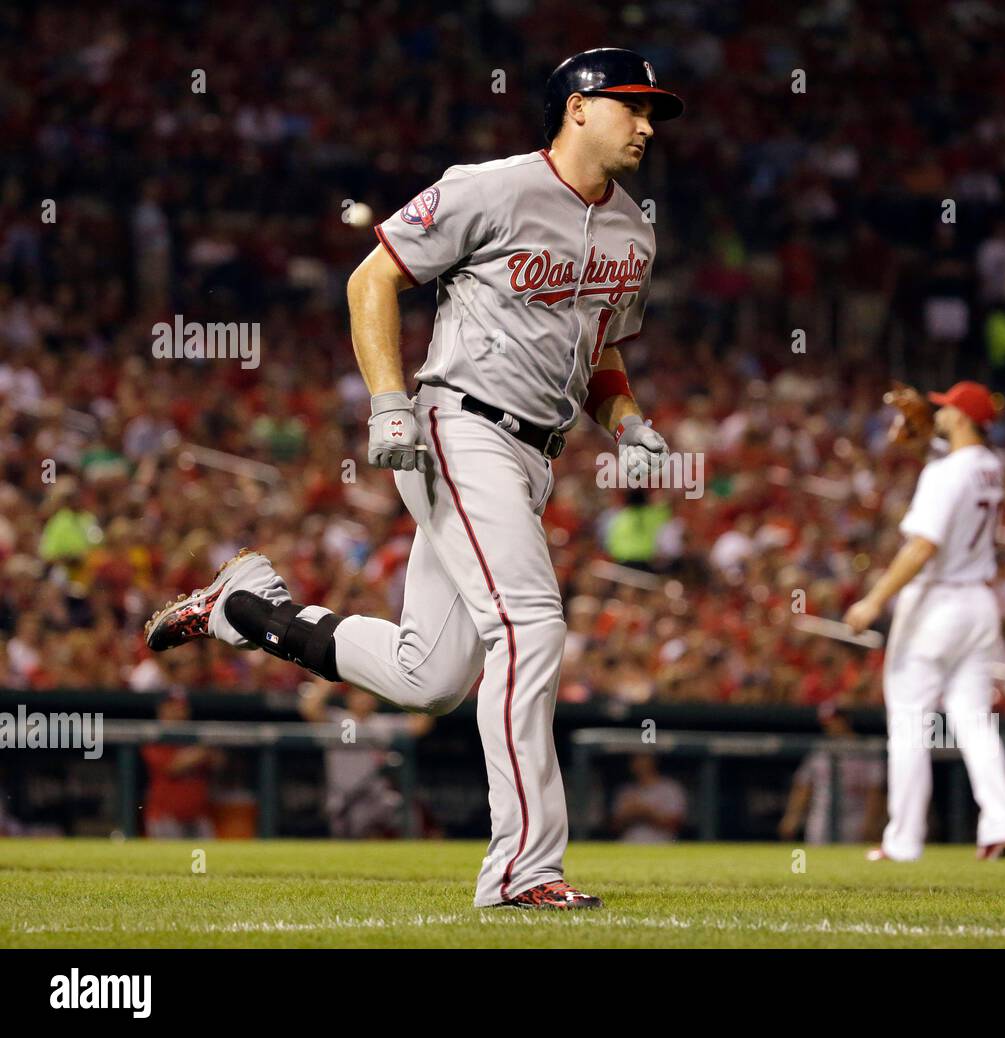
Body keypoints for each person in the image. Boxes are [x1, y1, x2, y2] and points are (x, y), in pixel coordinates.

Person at [144, 48, 683, 909]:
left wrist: (626, 420)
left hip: (533, 457)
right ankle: (521, 871)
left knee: (429, 675)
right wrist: (389, 401)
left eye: (655, 111)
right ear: (577, 109)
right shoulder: (489, 187)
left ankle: (247, 609)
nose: (649, 124)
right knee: (532, 626)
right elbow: (374, 275)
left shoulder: (634, 229)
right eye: (633, 105)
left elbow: (601, 345)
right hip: (456, 427)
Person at [846, 381, 1005, 861]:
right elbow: (958, 458)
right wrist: (928, 441)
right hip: (979, 605)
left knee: (908, 724)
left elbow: (922, 546)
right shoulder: (991, 466)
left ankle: (903, 840)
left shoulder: (947, 474)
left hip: (935, 604)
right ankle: (1000, 821)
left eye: (946, 409)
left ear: (962, 418)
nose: (937, 412)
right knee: (974, 720)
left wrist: (873, 600)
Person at [298, 679, 433, 838]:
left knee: (409, 815)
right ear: (348, 698)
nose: (364, 699)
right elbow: (309, 708)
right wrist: (330, 673)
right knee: (352, 835)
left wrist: (414, 682)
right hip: (345, 800)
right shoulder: (338, 720)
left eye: (368, 694)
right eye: (358, 694)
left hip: (376, 797)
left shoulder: (382, 723)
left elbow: (420, 724)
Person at [778, 701, 884, 844]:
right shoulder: (819, 751)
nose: (829, 725)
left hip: (855, 817)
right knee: (817, 861)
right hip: (822, 816)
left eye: (834, 720)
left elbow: (875, 790)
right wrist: (792, 816)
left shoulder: (866, 750)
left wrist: (871, 821)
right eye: (826, 722)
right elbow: (803, 786)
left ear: (846, 720)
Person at [140, 691, 222, 839]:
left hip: (199, 816)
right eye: (172, 706)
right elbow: (173, 767)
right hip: (165, 817)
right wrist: (203, 749)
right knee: (167, 861)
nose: (178, 711)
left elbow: (218, 763)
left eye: (181, 707)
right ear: (161, 709)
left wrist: (203, 751)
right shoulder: (154, 736)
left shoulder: (194, 736)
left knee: (206, 861)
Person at [610, 753, 687, 842]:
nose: (639, 763)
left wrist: (646, 813)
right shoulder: (625, 791)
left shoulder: (670, 788)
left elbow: (676, 825)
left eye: (643, 758)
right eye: (635, 759)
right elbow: (613, 828)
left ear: (653, 761)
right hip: (629, 847)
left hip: (661, 848)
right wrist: (629, 816)